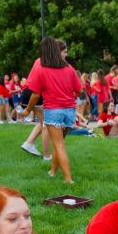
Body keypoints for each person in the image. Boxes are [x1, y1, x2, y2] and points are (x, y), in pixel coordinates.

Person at [23, 38, 84, 185]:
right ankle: (53, 171)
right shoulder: (69, 68)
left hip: (54, 111)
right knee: (60, 143)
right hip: (70, 111)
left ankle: (68, 180)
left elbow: (36, 94)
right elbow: (79, 89)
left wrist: (27, 110)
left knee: (59, 145)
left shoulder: (41, 69)